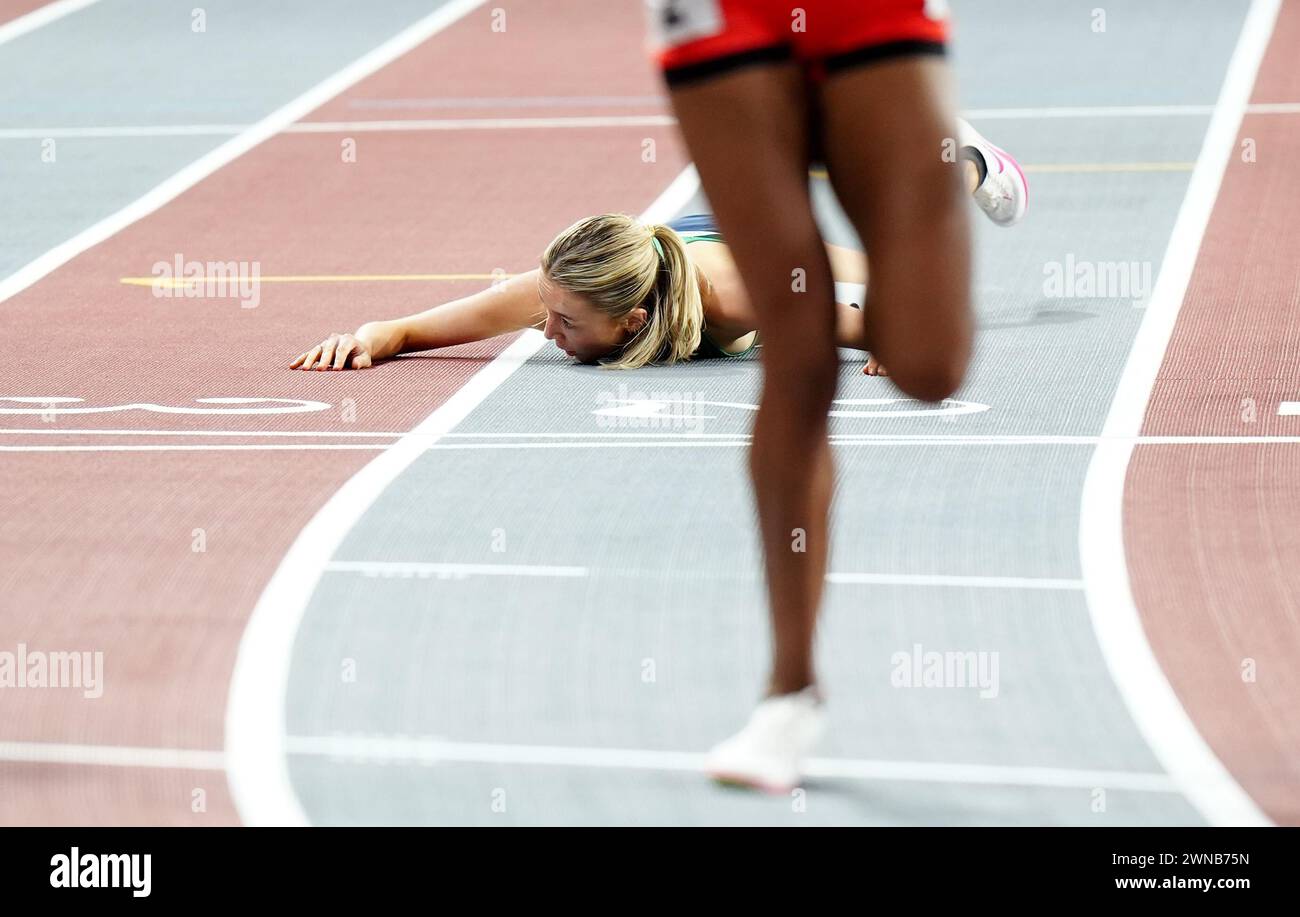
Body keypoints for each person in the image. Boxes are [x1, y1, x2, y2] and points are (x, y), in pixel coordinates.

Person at [645, 0, 1028, 791]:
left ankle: (960, 158)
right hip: (724, 18)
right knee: (800, 345)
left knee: (926, 364)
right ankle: (788, 693)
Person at [289, 128, 1022, 379]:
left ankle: (972, 163)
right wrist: (362, 340)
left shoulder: (737, 302)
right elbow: (409, 330)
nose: (544, 331)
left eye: (565, 327)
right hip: (677, 242)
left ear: (633, 321)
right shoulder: (560, 289)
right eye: (549, 315)